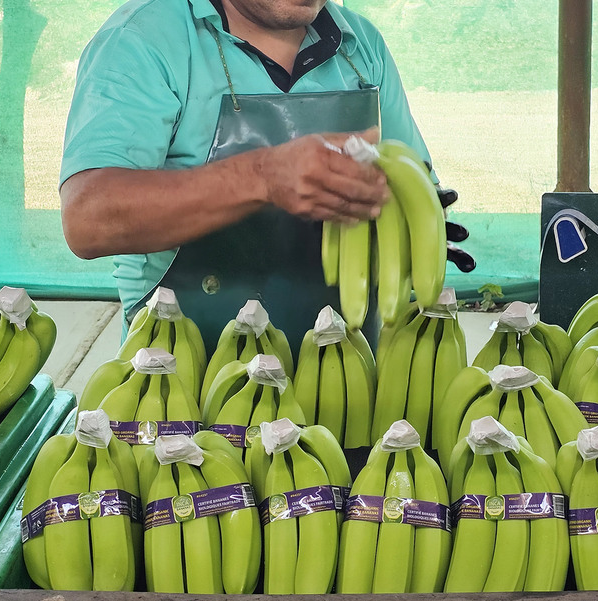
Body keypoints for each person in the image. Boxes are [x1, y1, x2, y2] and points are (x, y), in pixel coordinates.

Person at [58, 0, 468, 358]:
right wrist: (263, 177)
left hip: (345, 374)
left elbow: (413, 181)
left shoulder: (361, 46)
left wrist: (419, 220)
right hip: (180, 377)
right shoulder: (143, 40)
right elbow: (88, 219)